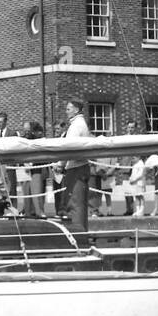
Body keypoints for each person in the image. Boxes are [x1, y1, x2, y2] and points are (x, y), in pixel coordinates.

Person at [61, 99, 92, 238]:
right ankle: (82, 234)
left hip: (76, 168)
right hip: (80, 167)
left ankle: (79, 237)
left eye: (68, 109)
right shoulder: (80, 124)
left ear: (76, 110)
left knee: (75, 204)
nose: (66, 111)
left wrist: (60, 164)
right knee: (79, 204)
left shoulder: (76, 126)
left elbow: (69, 148)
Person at [18, 121, 46, 217]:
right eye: (25, 130)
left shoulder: (38, 140)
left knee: (36, 192)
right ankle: (28, 212)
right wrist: (24, 163)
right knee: (26, 192)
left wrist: (32, 163)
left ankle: (39, 212)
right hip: (23, 170)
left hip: (36, 169)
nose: (26, 132)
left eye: (28, 130)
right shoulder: (20, 140)